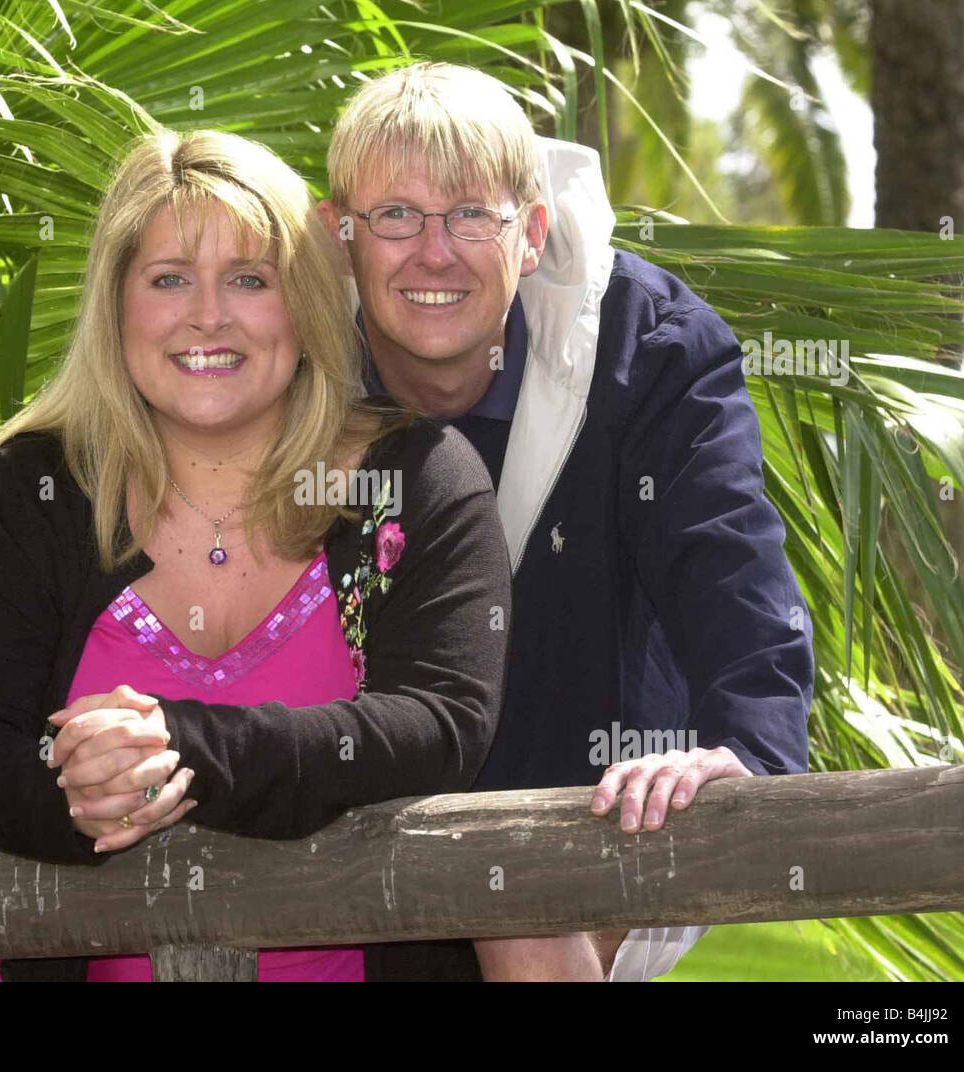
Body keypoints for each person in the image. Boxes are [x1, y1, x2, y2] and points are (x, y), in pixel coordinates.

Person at [0, 127, 512, 982]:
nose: (207, 314)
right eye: (168, 279)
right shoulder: (39, 485)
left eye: (248, 278)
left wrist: (184, 751)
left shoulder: (416, 477)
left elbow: (440, 723)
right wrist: (71, 792)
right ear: (117, 305)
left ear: (303, 306)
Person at [315, 62, 814, 981]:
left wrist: (753, 750)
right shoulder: (278, 353)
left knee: (527, 918)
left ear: (534, 232)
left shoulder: (649, 344)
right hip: (353, 826)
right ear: (337, 232)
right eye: (396, 215)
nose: (436, 252)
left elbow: (730, 563)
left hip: (594, 816)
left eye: (474, 214)